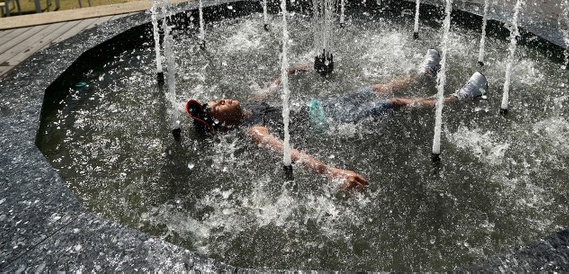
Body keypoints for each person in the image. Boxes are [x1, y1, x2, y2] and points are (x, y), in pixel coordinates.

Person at [184, 49, 489, 192]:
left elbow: (273, 85)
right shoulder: (254, 130)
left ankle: (422, 75)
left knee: (375, 88)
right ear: (220, 124)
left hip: (322, 105)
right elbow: (289, 152)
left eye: (217, 99)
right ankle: (459, 98)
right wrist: (333, 172)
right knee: (390, 103)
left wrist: (293, 70)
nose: (221, 100)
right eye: (215, 108)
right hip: (329, 121)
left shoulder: (249, 104)